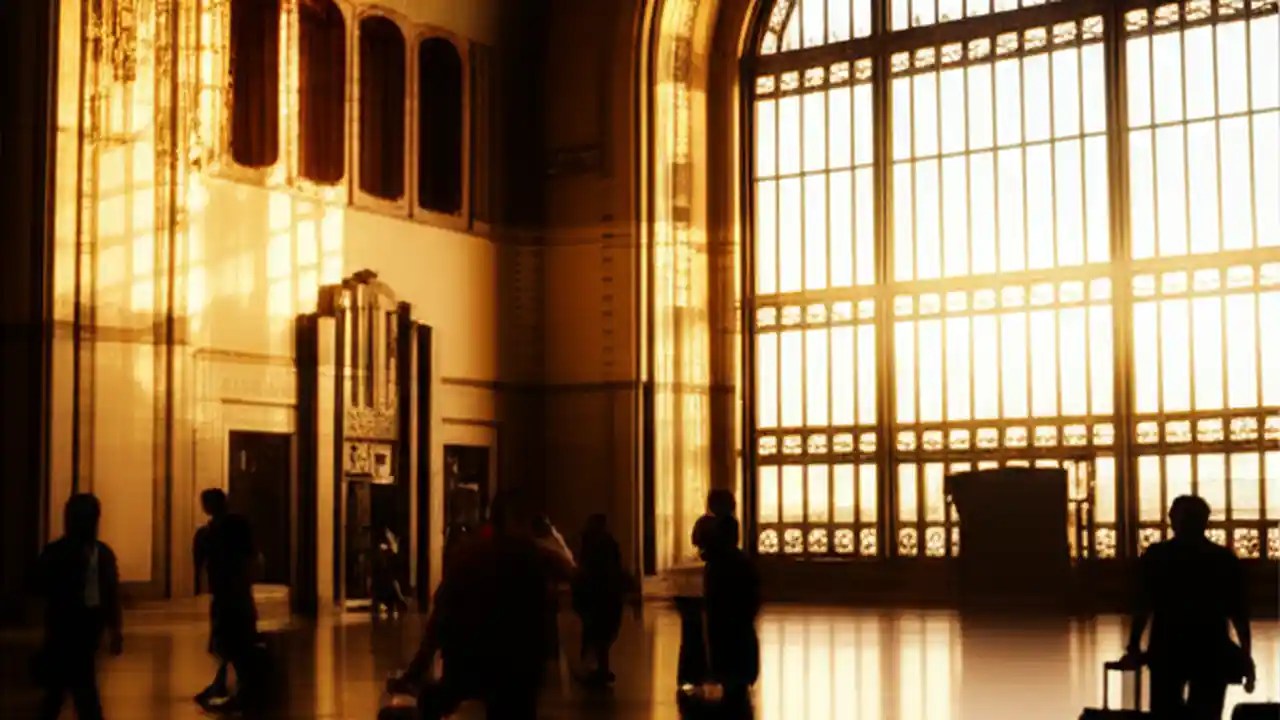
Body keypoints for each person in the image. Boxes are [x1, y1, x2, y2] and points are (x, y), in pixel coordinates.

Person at [391, 489, 574, 720]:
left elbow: (440, 617)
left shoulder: (468, 556)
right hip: (517, 666)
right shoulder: (534, 556)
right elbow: (573, 572)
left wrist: (417, 668)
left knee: (443, 696)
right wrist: (554, 538)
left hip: (468, 662)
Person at [1121, 495, 1256, 720]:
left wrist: (1134, 645)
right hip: (1211, 648)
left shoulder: (1158, 556)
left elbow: (1143, 603)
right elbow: (1238, 611)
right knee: (1207, 711)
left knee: (1165, 711)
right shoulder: (1222, 559)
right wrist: (1245, 653)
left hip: (1167, 648)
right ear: (1205, 522)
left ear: (1173, 520)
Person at [34, 493, 123, 720]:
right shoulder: (98, 553)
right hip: (73, 627)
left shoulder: (61, 552)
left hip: (74, 628)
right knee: (80, 692)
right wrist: (115, 629)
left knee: (60, 694)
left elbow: (110, 594)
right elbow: (110, 594)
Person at [193, 488, 261, 713]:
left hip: (227, 593)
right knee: (235, 641)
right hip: (236, 592)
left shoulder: (210, 533)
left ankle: (237, 688)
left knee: (230, 641)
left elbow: (201, 562)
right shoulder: (235, 526)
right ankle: (227, 685)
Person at [571, 514, 634, 686]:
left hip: (595, 595)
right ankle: (599, 668)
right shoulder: (608, 543)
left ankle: (593, 669)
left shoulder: (590, 544)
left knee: (594, 635)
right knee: (603, 636)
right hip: (607, 595)